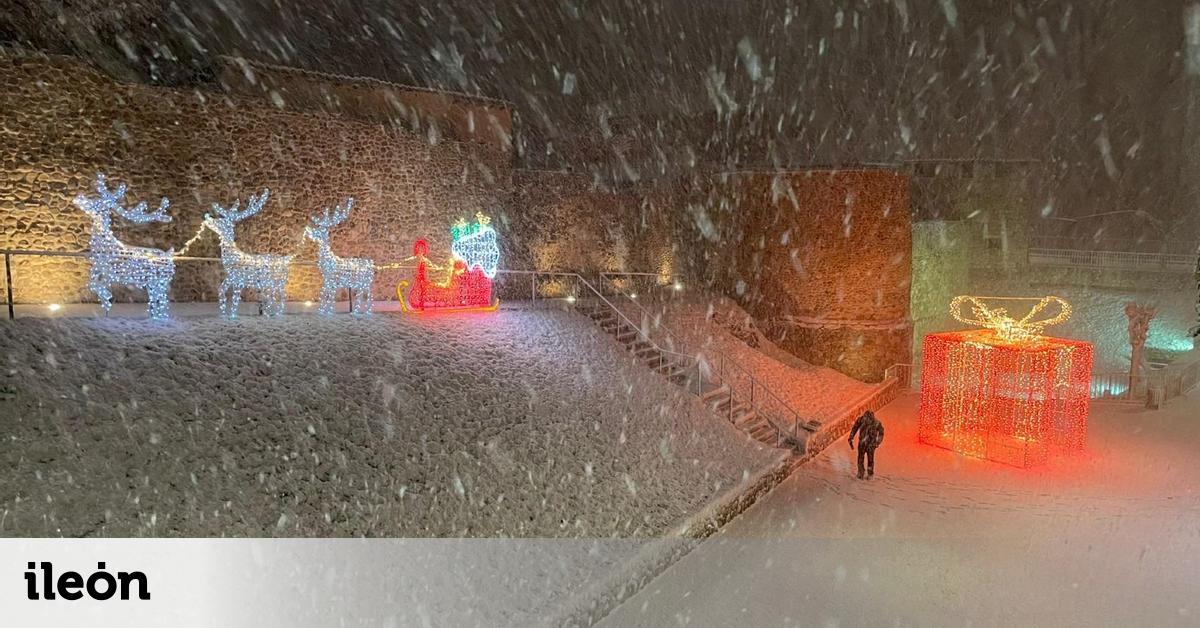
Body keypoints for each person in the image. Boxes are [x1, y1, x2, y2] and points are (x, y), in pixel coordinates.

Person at [848, 410, 885, 479]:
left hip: (871, 444)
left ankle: (870, 473)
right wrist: (851, 437)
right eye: (865, 418)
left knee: (870, 459)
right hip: (862, 443)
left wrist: (877, 442)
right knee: (860, 458)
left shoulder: (876, 423)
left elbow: (881, 433)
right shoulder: (861, 420)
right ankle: (860, 472)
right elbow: (855, 428)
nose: (866, 420)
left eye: (867, 419)